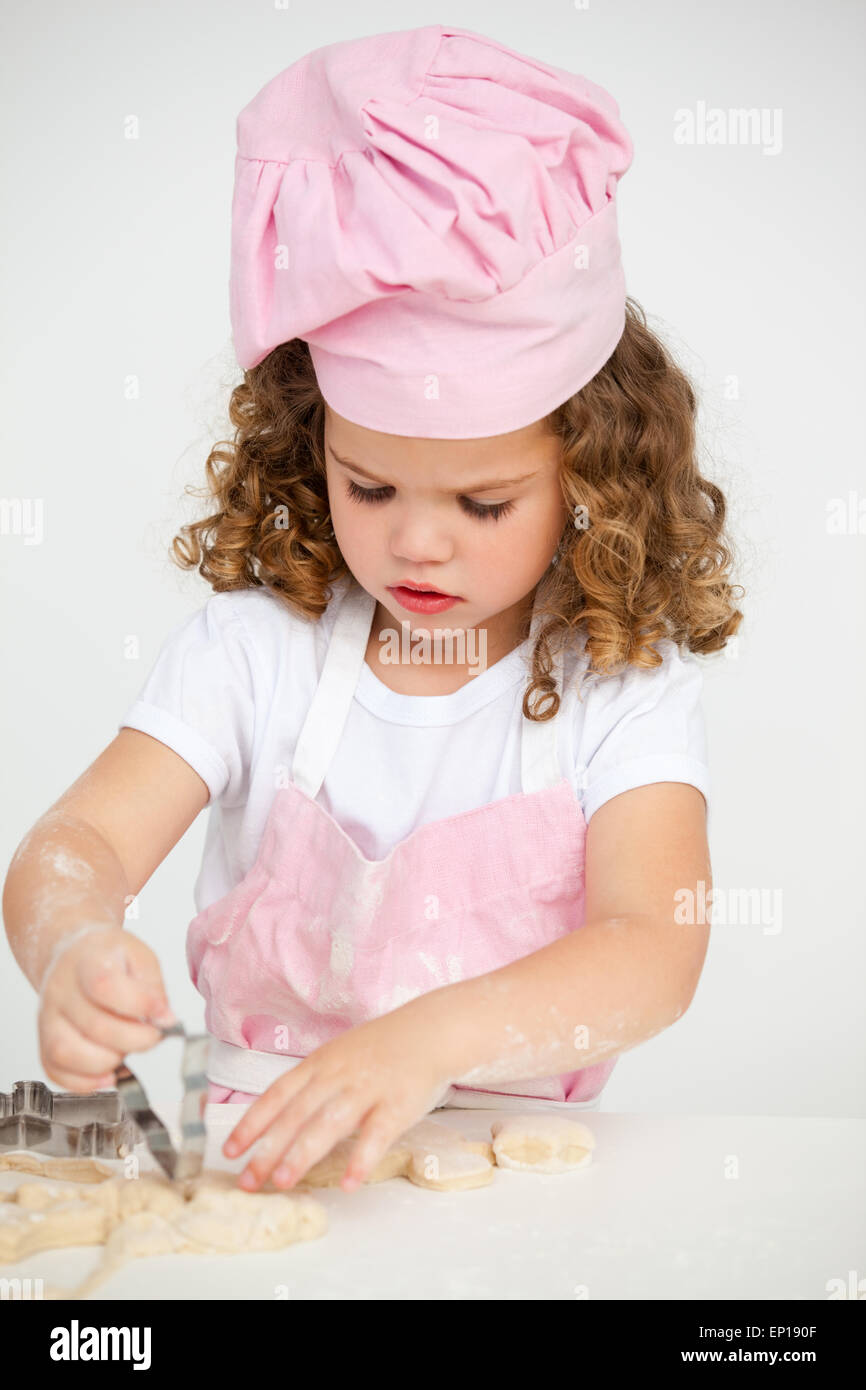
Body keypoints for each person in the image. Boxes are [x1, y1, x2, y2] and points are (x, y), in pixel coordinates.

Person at [2, 24, 742, 1195]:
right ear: (315, 445)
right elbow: (74, 846)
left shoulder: (620, 691)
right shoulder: (251, 657)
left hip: (512, 1186)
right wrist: (74, 943)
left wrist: (427, 1043)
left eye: (484, 501)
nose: (414, 538)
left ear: (589, 479)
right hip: (248, 1156)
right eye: (369, 483)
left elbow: (652, 947)